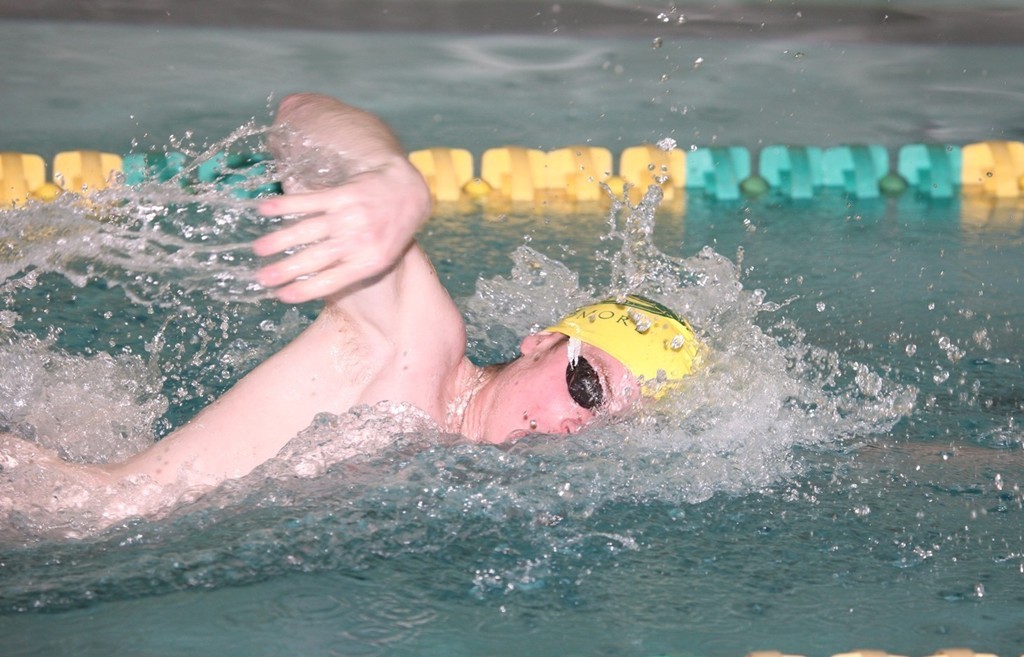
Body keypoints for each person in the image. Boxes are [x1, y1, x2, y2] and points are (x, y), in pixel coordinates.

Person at [2, 93, 703, 497]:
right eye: (587, 386)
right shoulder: (417, 348)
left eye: (613, 422)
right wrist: (389, 176)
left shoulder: (462, 477)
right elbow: (302, 114)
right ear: (543, 340)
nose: (583, 425)